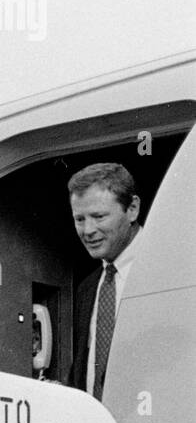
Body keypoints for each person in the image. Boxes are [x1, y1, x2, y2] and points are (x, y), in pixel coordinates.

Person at [66, 163, 142, 399]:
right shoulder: (87, 288)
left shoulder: (170, 269)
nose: (88, 230)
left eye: (99, 216)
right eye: (80, 219)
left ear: (132, 209)